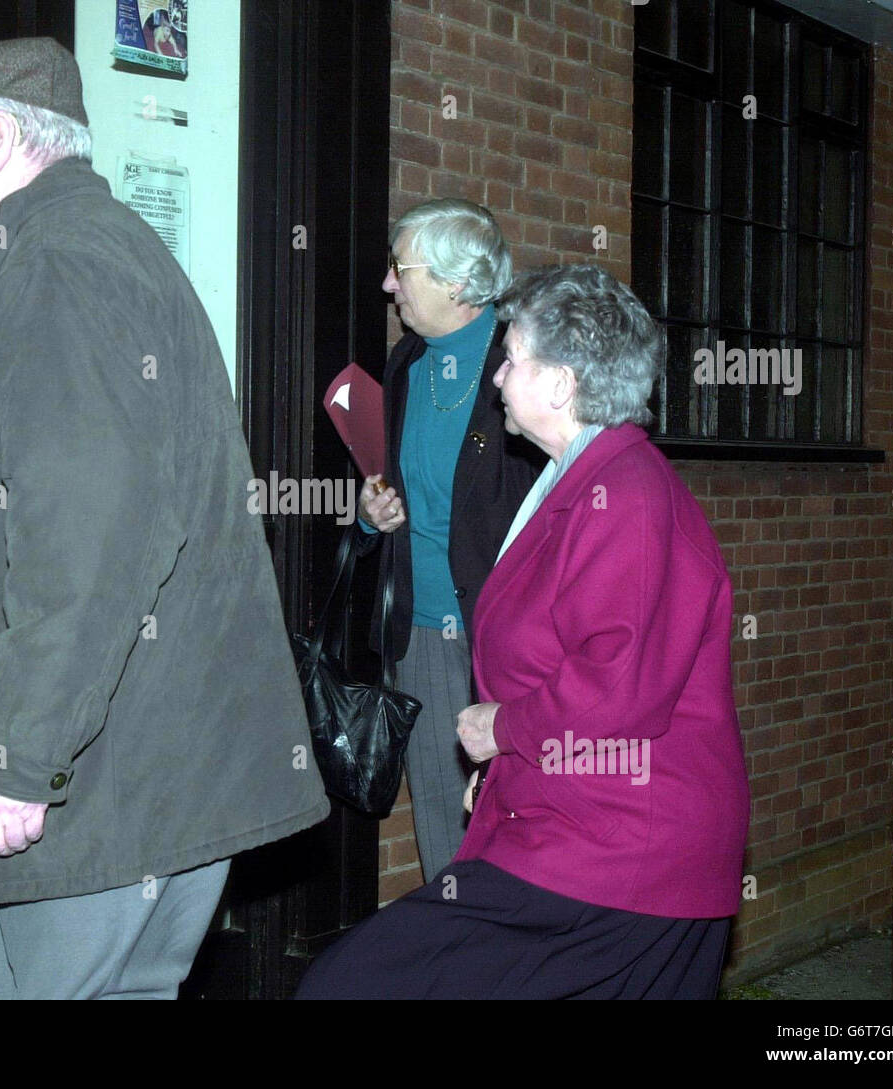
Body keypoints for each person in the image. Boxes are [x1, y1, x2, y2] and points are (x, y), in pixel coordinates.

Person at [0, 37, 329, 1000]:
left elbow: (95, 539)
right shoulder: (53, 260)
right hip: (101, 791)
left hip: (98, 790)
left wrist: (19, 755)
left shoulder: (64, 269)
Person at [297, 264, 750, 999]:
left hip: (622, 857)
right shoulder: (575, 474)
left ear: (561, 383)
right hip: (593, 839)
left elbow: (619, 688)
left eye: (511, 358)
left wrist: (503, 728)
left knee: (350, 982)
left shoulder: (626, 496)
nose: (498, 378)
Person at [355, 199, 542, 881]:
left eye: (401, 270)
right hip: (428, 634)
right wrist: (372, 512)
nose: (388, 285)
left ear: (457, 284)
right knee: (445, 832)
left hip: (513, 638)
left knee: (528, 819)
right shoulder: (405, 363)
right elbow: (396, 481)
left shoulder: (524, 364)